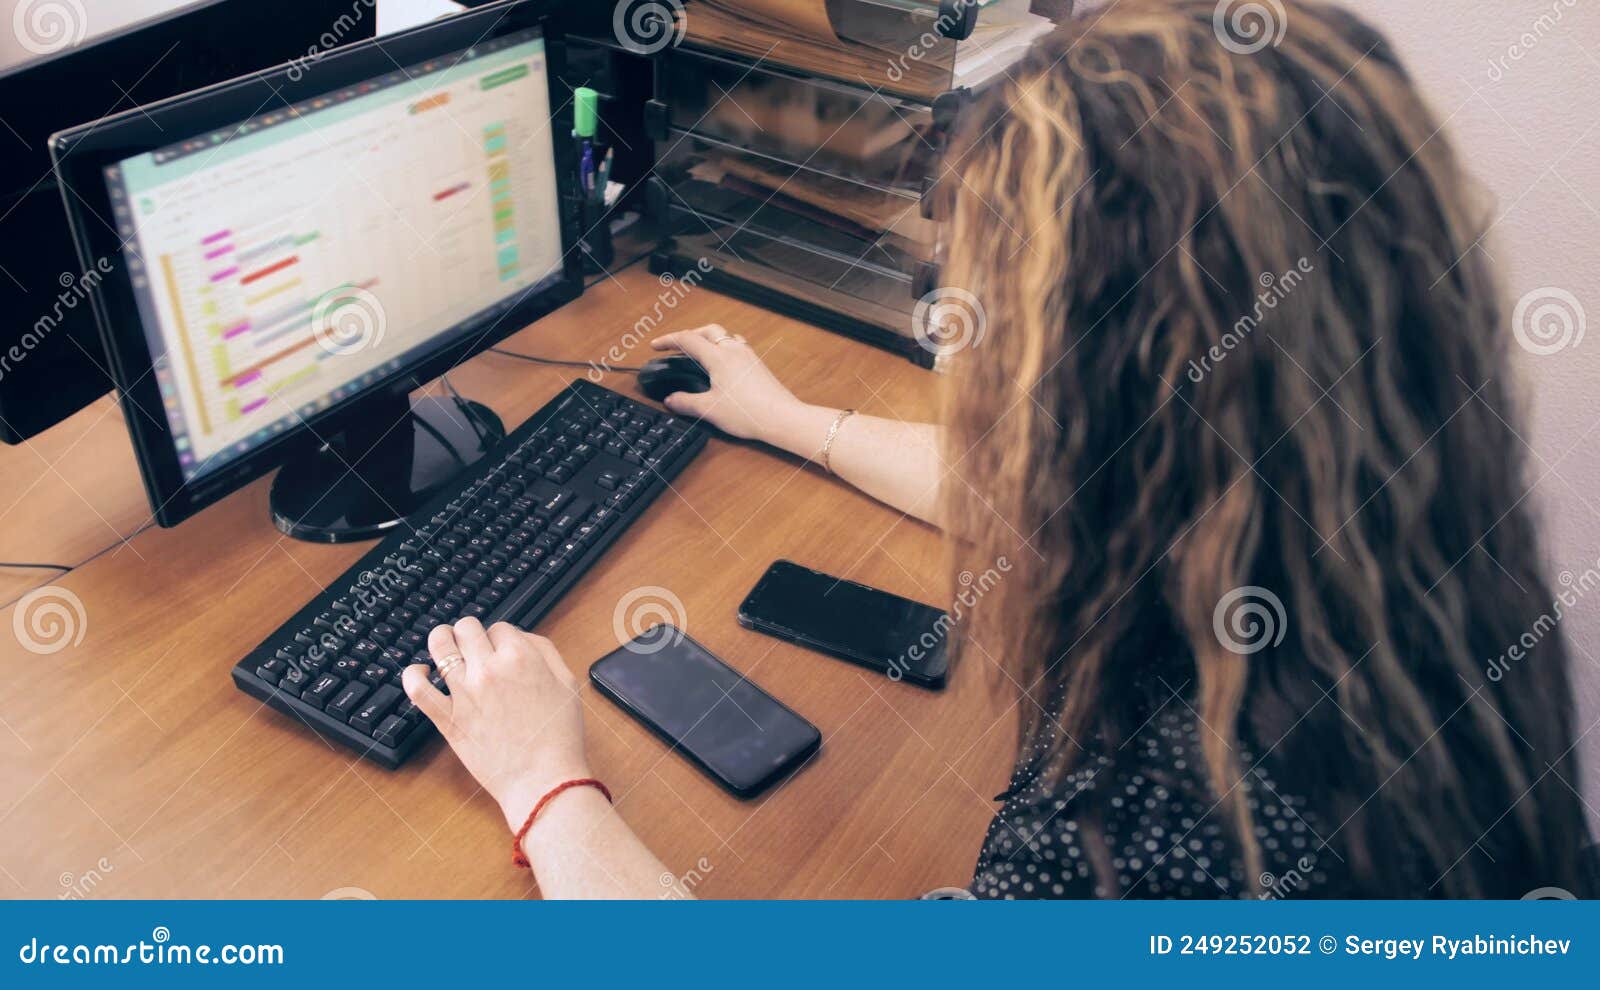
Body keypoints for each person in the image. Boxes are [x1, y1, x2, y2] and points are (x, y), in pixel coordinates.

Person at [400, 0, 1595, 898]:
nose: (947, 343)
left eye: (964, 308)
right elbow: (1053, 494)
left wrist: (545, 787)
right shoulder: (1403, 541)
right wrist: (789, 419)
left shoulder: (1152, 845)